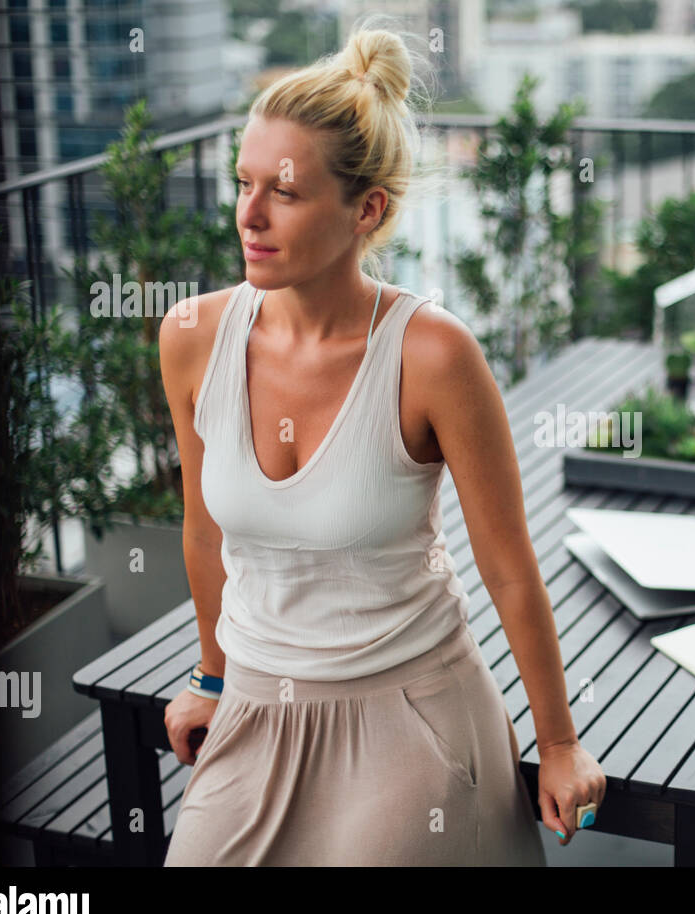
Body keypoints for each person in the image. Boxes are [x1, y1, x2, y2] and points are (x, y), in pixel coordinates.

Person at [158, 23, 605, 865]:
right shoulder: (191, 336)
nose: (248, 216)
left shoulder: (434, 356)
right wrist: (213, 679)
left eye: (284, 193)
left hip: (407, 713)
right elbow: (204, 534)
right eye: (242, 183)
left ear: (368, 209)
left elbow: (508, 565)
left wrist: (557, 742)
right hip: (255, 704)